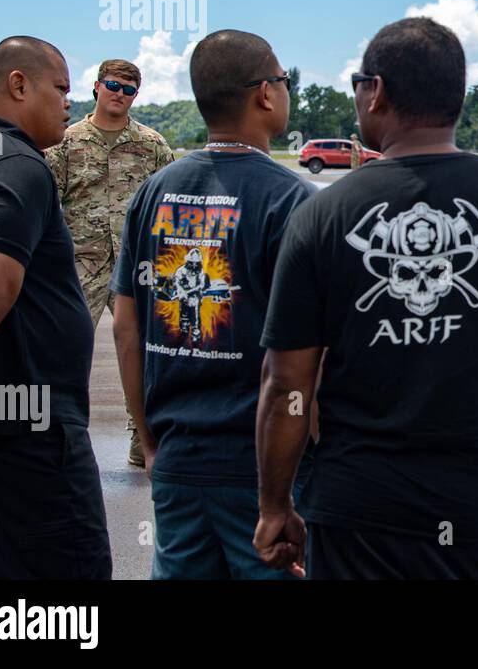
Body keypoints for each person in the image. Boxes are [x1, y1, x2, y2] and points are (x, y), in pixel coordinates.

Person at [254, 17, 478, 579]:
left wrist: (274, 507)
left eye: (358, 83)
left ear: (378, 91)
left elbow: (287, 383)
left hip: (359, 520)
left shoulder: (321, 214)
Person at [110, 31, 315, 578]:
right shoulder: (292, 201)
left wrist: (149, 440)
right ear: (266, 95)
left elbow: (126, 328)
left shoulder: (153, 192)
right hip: (267, 470)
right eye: (284, 80)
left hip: (177, 455)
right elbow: (310, 352)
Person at [0, 36, 111, 579]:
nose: (70, 101)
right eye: (61, 88)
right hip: (25, 421)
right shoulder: (18, 164)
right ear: (19, 85)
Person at [46, 58, 173, 467]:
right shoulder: (66, 142)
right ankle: (63, 443)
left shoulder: (153, 145)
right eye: (114, 86)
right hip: (79, 266)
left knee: (146, 353)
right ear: (97, 87)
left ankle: (144, 443)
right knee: (65, 353)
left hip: (137, 268)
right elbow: (47, 204)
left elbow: (166, 207)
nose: (120, 94)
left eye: (129, 89)